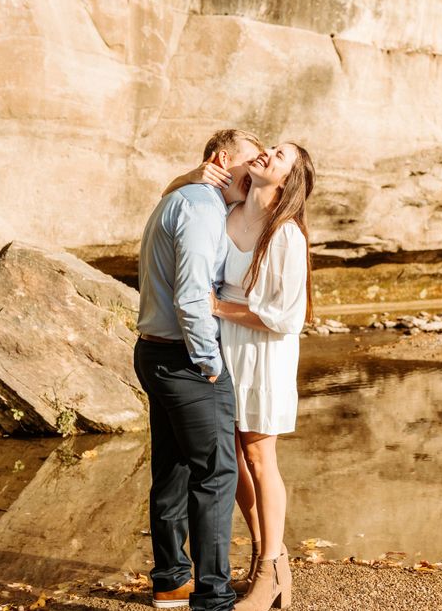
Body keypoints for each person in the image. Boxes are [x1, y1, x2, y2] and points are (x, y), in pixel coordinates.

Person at [171, 142, 315, 611]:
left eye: (280, 157)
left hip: (264, 352)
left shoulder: (286, 235)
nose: (268, 154)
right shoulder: (229, 207)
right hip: (224, 346)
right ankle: (266, 555)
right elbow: (171, 197)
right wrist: (192, 174)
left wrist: (217, 306)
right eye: (271, 147)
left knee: (257, 452)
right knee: (226, 455)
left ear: (287, 181)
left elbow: (287, 318)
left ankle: (270, 570)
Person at [134, 128, 265, 611]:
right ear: (221, 158)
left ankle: (171, 582)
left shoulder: (183, 197)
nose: (256, 172)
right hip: (186, 359)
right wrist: (209, 363)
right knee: (216, 476)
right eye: (250, 161)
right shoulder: (203, 208)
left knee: (172, 468)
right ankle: (213, 599)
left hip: (154, 351)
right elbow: (192, 296)